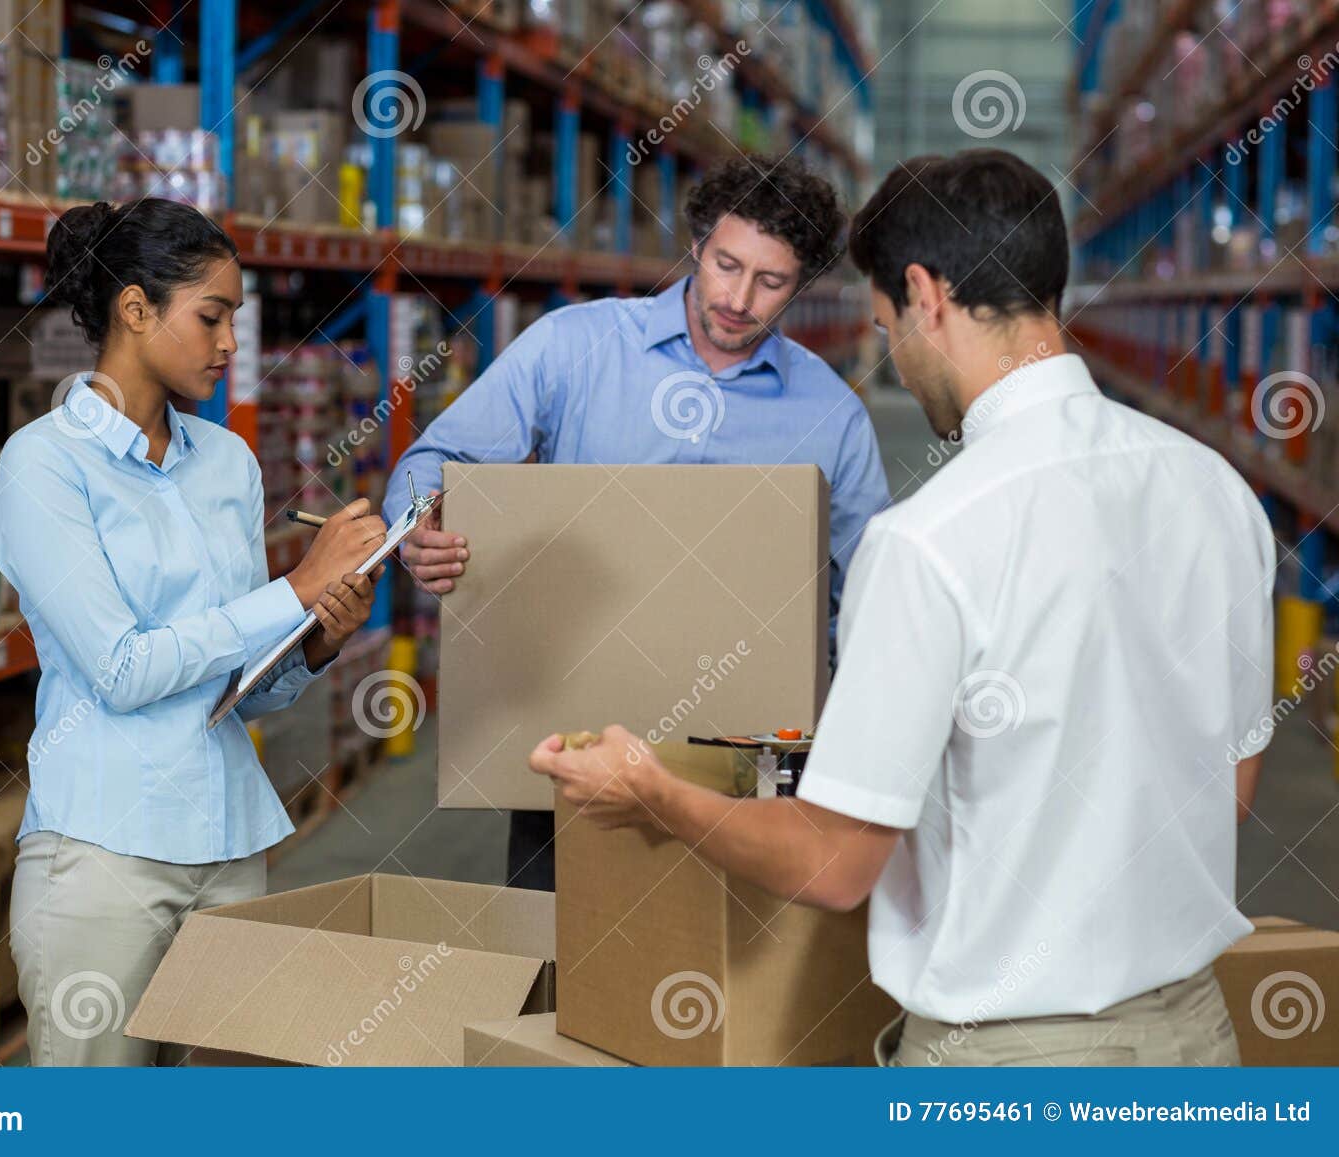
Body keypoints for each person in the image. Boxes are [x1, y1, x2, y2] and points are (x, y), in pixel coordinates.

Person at [530, 149, 1274, 1067]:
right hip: (1195, 1040)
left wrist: (651, 788)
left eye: (888, 328)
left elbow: (836, 862)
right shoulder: (1214, 488)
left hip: (1010, 1064)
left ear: (924, 294)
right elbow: (1227, 792)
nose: (898, 359)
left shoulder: (929, 538)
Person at [386, 154, 891, 891]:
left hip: (746, 775)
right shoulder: (574, 347)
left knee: (729, 959)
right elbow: (436, 459)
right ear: (696, 245)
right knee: (553, 947)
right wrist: (418, 527)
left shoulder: (832, 416)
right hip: (578, 744)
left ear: (803, 284)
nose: (739, 298)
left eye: (771, 281)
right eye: (726, 265)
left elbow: (871, 602)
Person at [0, 199, 387, 1065]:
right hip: (104, 859)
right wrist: (294, 587)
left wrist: (315, 634)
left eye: (234, 320)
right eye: (211, 317)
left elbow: (239, 681)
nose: (229, 343)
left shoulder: (227, 462)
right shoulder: (43, 464)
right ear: (135, 309)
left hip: (230, 845)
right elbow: (122, 670)